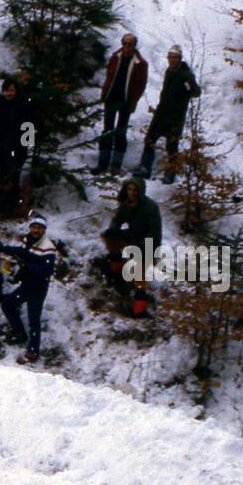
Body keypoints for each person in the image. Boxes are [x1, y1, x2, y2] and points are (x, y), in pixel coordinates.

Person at [0, 214, 59, 365]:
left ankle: (33, 350)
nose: (36, 230)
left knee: (34, 319)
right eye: (34, 227)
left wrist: (27, 267)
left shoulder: (48, 247)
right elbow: (21, 252)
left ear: (44, 230)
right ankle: (20, 334)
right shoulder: (28, 240)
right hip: (26, 284)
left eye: (39, 228)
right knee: (7, 305)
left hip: (38, 287)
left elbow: (47, 271)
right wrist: (4, 248)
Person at [136, 45, 201, 183]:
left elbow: (196, 92)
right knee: (150, 139)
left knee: (171, 145)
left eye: (174, 57)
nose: (171, 60)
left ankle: (170, 173)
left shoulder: (186, 74)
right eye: (169, 57)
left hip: (176, 115)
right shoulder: (169, 71)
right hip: (162, 112)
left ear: (180, 58)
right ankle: (145, 168)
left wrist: (188, 87)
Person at [104, 176, 162, 316]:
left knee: (139, 274)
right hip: (133, 237)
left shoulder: (151, 207)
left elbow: (154, 231)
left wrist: (141, 246)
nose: (131, 192)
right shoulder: (126, 204)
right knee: (110, 236)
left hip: (149, 245)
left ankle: (139, 307)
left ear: (140, 191)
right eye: (129, 189)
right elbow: (117, 220)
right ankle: (116, 267)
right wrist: (113, 229)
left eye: (135, 190)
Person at [95, 33, 148, 175]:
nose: (127, 47)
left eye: (130, 44)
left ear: (134, 46)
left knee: (120, 131)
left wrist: (134, 100)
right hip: (111, 98)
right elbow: (108, 76)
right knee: (107, 130)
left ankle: (116, 165)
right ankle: (102, 163)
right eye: (125, 43)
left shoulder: (140, 63)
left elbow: (141, 84)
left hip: (125, 101)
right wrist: (104, 93)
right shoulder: (115, 57)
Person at [0, 78, 35, 217]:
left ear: (16, 90)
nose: (8, 93)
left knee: (14, 177)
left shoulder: (23, 103)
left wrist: (26, 145)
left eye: (11, 90)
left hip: (18, 146)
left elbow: (29, 124)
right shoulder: (0, 103)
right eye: (6, 91)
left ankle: (11, 207)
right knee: (2, 176)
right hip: (3, 146)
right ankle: (2, 207)